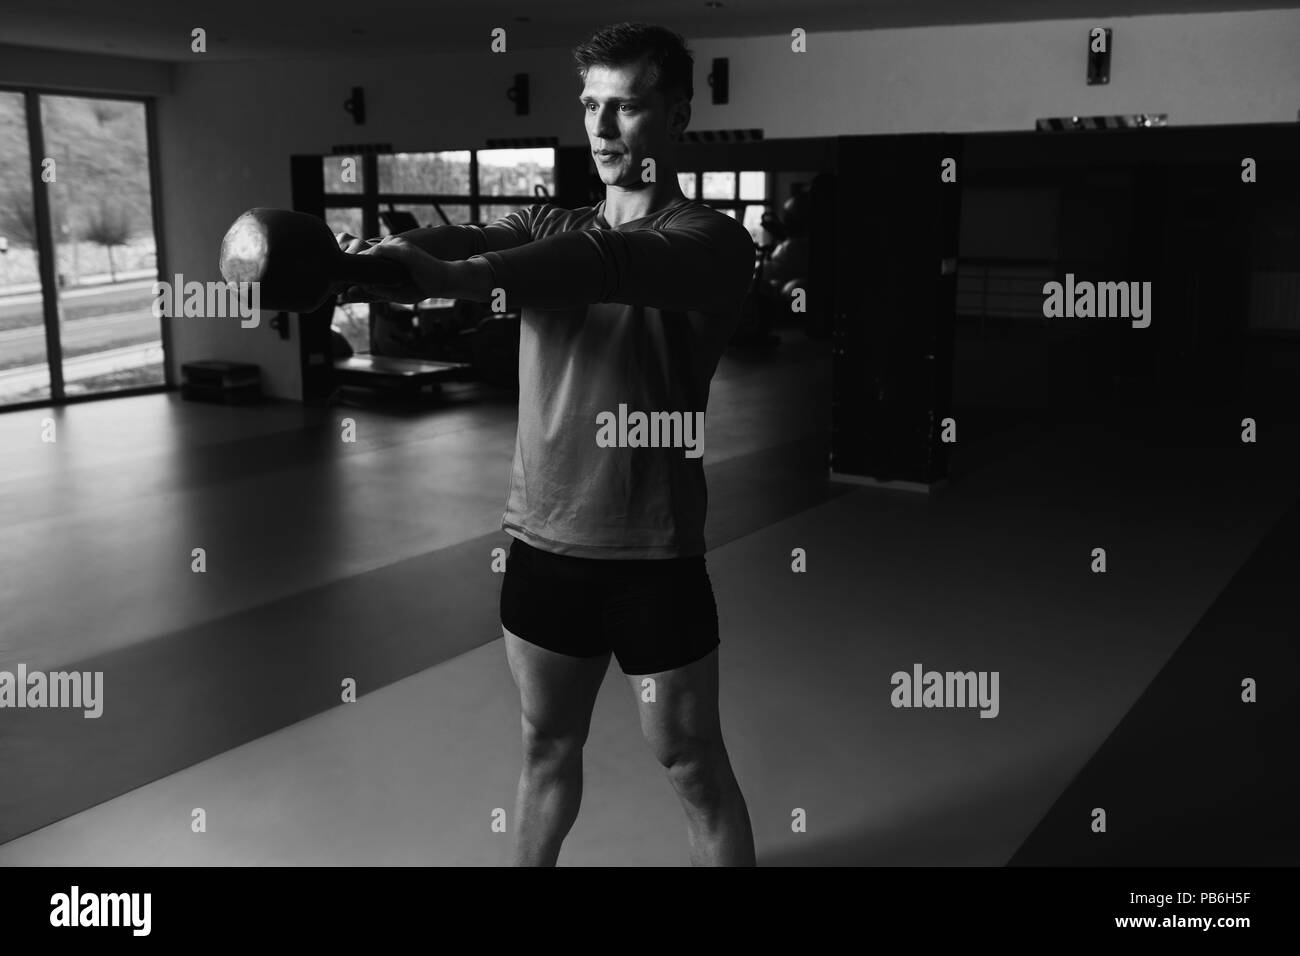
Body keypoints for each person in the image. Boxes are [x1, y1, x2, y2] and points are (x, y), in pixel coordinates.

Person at [337, 22, 757, 866]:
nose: (602, 130)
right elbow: (467, 241)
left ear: (675, 117)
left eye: (628, 108)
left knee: (690, 763)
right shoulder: (545, 220)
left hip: (652, 553)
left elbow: (602, 263)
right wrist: (383, 261)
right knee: (545, 749)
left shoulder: (710, 242)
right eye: (592, 107)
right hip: (542, 544)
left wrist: (465, 280)